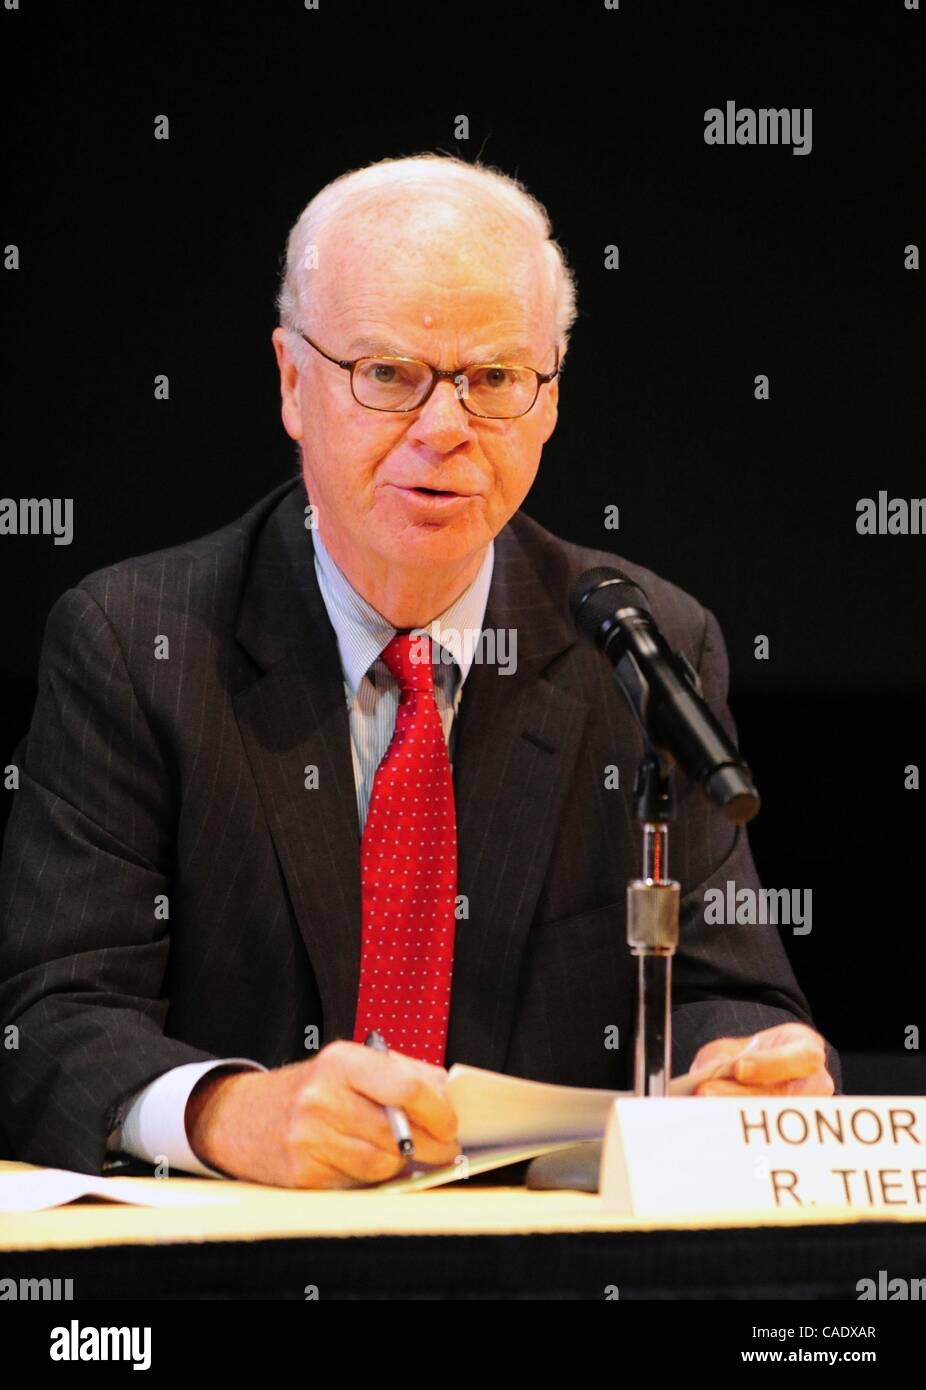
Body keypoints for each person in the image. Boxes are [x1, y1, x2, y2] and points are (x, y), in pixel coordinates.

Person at [0, 154, 837, 1190]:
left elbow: (727, 994)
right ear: (292, 384)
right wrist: (225, 1111)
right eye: (388, 374)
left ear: (548, 404)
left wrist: (745, 1074)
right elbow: (46, 1024)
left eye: (491, 379)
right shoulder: (135, 645)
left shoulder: (644, 644)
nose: (444, 429)